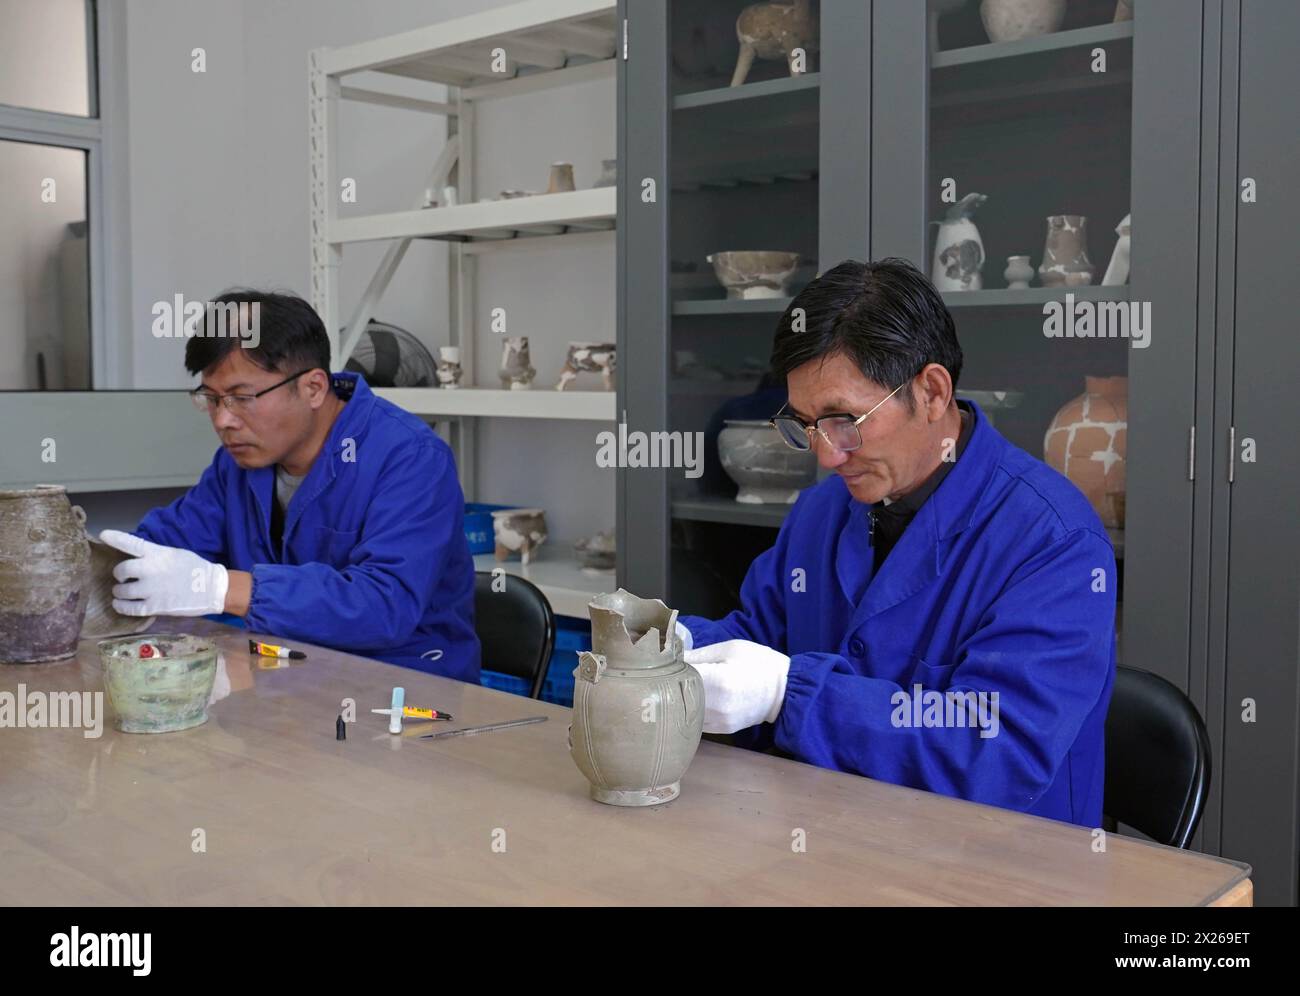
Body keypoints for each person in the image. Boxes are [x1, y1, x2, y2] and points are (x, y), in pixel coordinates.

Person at [677, 259, 1116, 827]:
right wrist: (679, 645)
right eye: (805, 425)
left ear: (931, 392)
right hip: (832, 840)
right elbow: (760, 640)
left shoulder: (1053, 542)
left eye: (844, 421)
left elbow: (998, 749)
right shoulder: (822, 510)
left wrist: (792, 695)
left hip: (1001, 869)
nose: (826, 456)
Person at [102, 290, 480, 681]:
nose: (222, 420)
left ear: (313, 388)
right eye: (211, 399)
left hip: (406, 692)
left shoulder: (410, 458)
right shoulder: (239, 463)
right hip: (289, 681)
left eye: (241, 397)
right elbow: (164, 543)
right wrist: (100, 564)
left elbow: (384, 605)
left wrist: (219, 588)